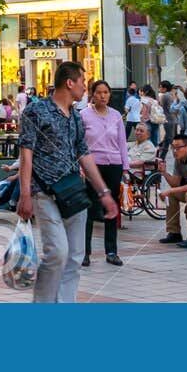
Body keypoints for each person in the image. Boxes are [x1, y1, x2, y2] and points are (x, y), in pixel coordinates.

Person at [15, 61, 118, 303]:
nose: (86, 88)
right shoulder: (36, 111)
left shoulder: (76, 117)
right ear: (70, 83)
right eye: (83, 82)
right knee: (57, 253)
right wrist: (25, 193)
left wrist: (103, 192)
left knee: (74, 256)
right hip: (44, 192)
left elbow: (84, 154)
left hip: (74, 192)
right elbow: (26, 152)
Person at [80, 79, 126, 267]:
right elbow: (80, 143)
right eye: (98, 92)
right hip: (93, 165)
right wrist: (81, 167)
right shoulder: (83, 115)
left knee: (112, 208)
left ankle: (112, 251)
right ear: (92, 94)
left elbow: (122, 142)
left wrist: (125, 167)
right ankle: (85, 252)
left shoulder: (116, 115)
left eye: (106, 92)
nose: (102, 96)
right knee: (89, 209)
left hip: (113, 164)